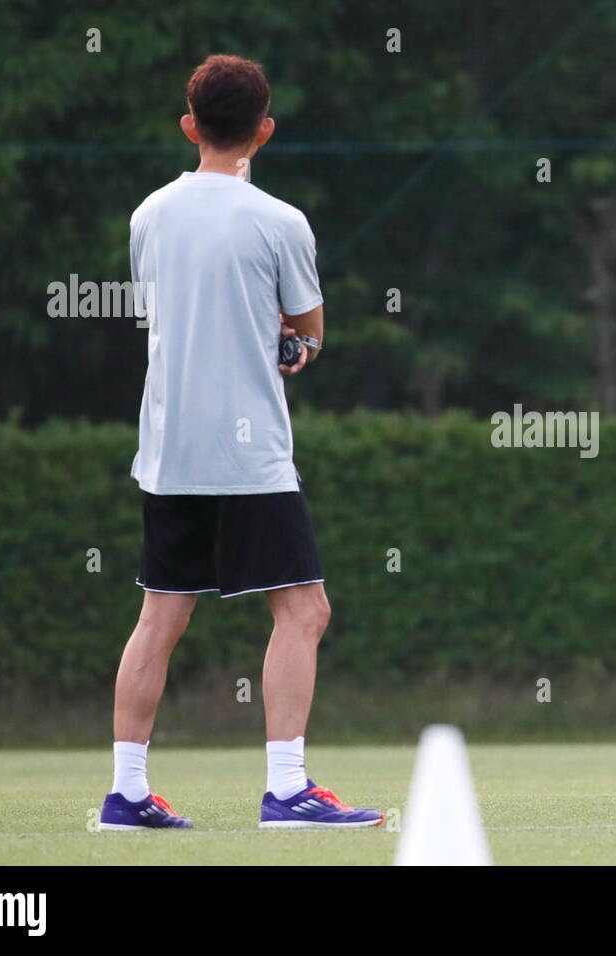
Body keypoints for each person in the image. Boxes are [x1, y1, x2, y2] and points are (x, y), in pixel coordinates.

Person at [98, 54, 382, 831]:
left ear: (190, 126)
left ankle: (126, 793)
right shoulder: (281, 221)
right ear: (264, 130)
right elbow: (308, 332)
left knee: (160, 617)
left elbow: (159, 314)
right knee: (304, 610)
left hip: (167, 450)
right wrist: (294, 348)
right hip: (250, 454)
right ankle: (287, 788)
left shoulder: (147, 214)